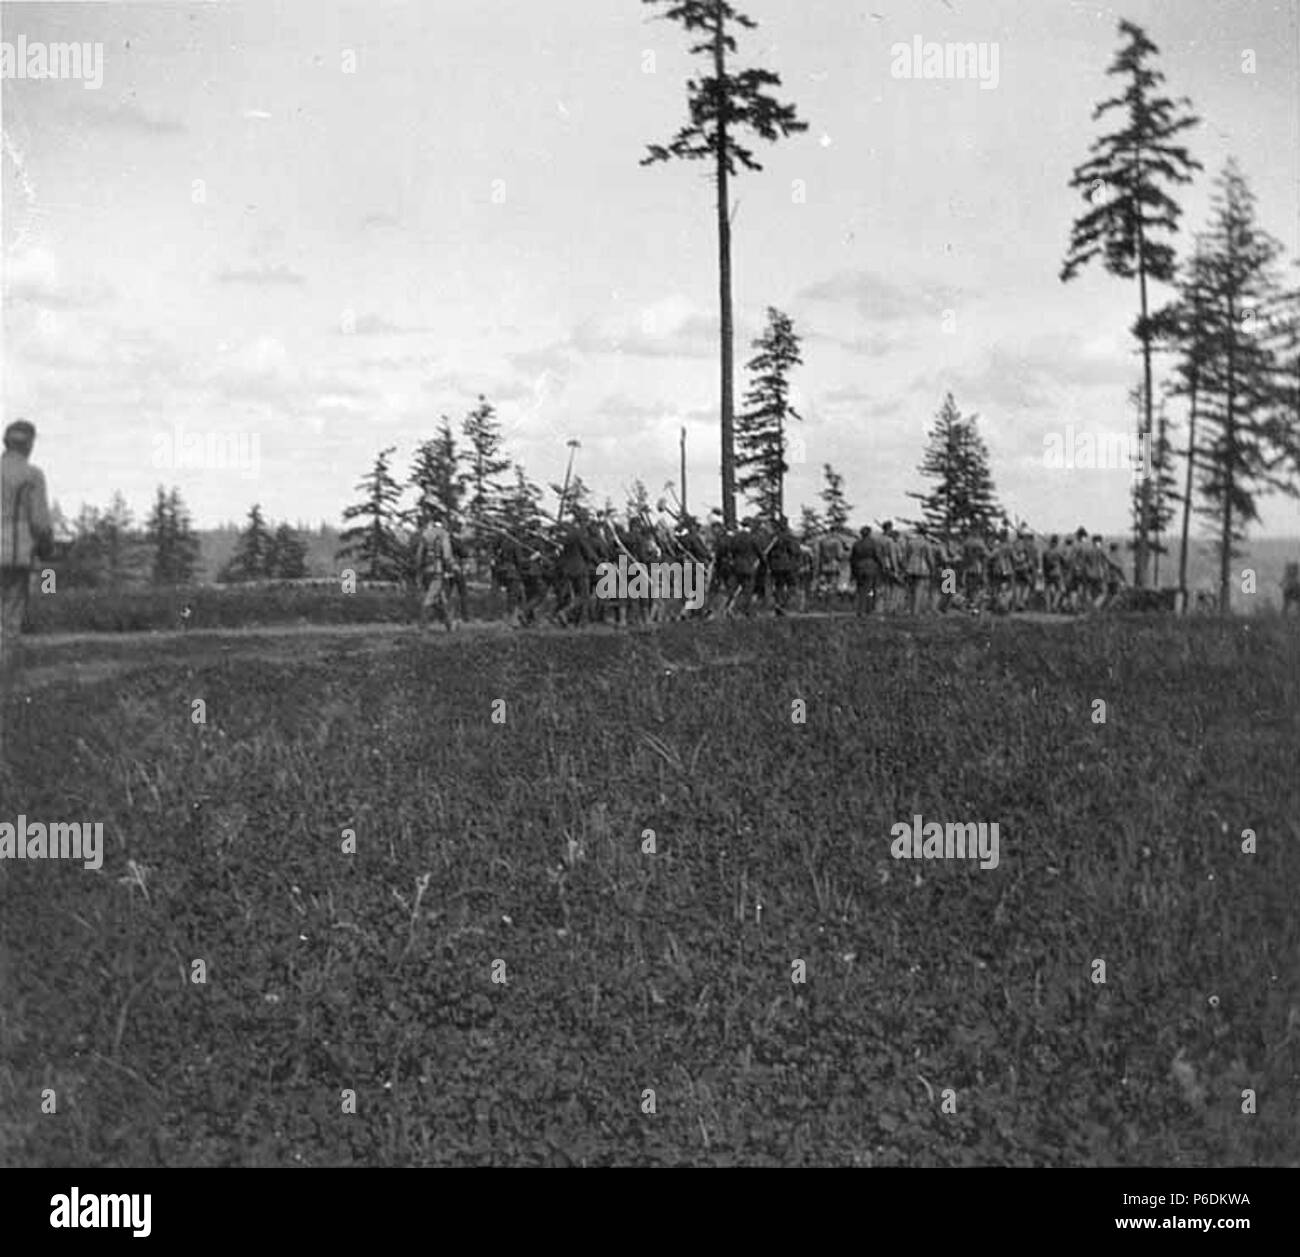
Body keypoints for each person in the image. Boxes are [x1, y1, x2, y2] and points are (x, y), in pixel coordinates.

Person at [1, 419, 53, 674]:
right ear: (29, 445)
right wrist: (47, 550)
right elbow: (40, 523)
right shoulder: (32, 475)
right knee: (9, 621)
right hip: (14, 557)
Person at [416, 514, 457, 631]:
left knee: (442, 597)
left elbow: (419, 555)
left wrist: (419, 570)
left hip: (426, 570)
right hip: (438, 570)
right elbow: (447, 554)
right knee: (430, 597)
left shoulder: (425, 534)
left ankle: (449, 625)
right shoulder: (443, 534)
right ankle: (422, 626)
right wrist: (450, 567)